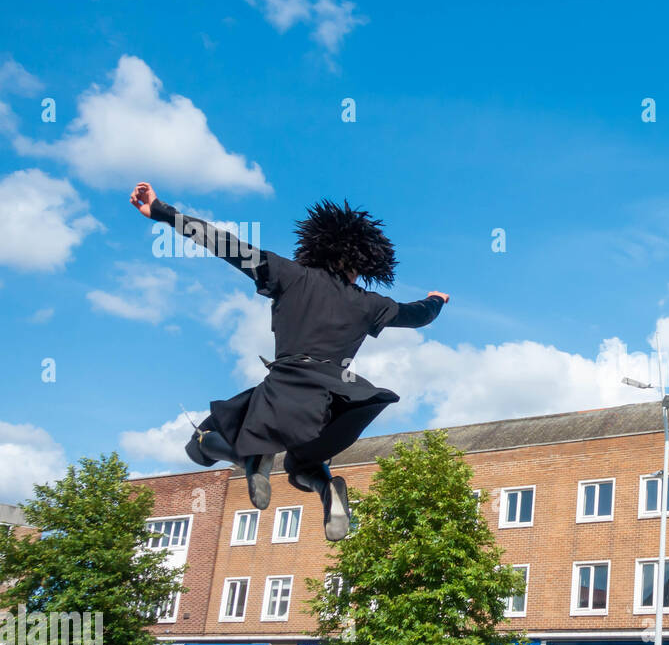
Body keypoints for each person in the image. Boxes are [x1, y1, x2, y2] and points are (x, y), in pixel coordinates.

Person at [130, 183, 449, 540]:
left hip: (286, 388)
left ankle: (249, 458)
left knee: (200, 441)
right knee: (303, 465)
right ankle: (328, 491)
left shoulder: (289, 274)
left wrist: (161, 211)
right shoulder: (369, 303)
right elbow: (418, 315)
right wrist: (436, 299)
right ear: (356, 260)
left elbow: (223, 244)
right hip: (340, 402)